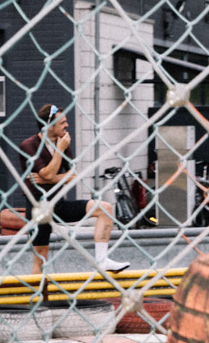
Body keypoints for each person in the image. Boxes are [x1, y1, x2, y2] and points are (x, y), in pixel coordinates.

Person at [21, 103, 131, 275]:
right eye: (62, 123)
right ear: (49, 126)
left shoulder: (62, 139)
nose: (67, 125)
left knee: (105, 208)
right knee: (41, 257)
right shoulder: (29, 145)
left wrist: (48, 178)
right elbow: (49, 173)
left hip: (58, 205)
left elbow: (72, 175)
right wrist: (59, 152)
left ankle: (102, 260)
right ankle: (38, 299)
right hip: (38, 209)